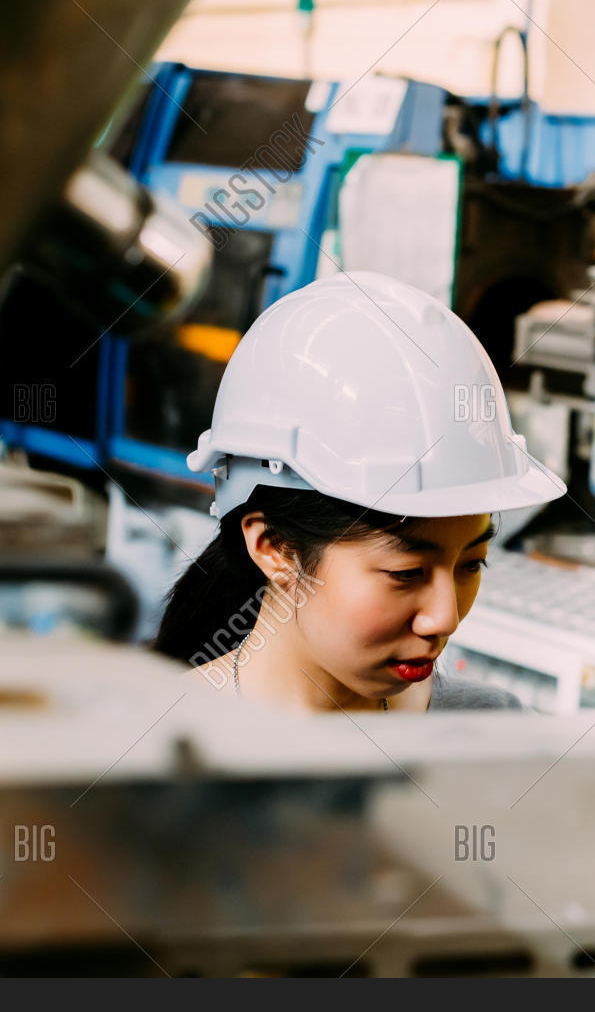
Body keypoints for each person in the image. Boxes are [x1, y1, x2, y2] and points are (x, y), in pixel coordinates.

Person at [155, 271, 566, 713]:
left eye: (472, 564)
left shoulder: (492, 730)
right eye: (407, 573)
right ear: (274, 547)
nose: (445, 618)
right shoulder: (150, 747)